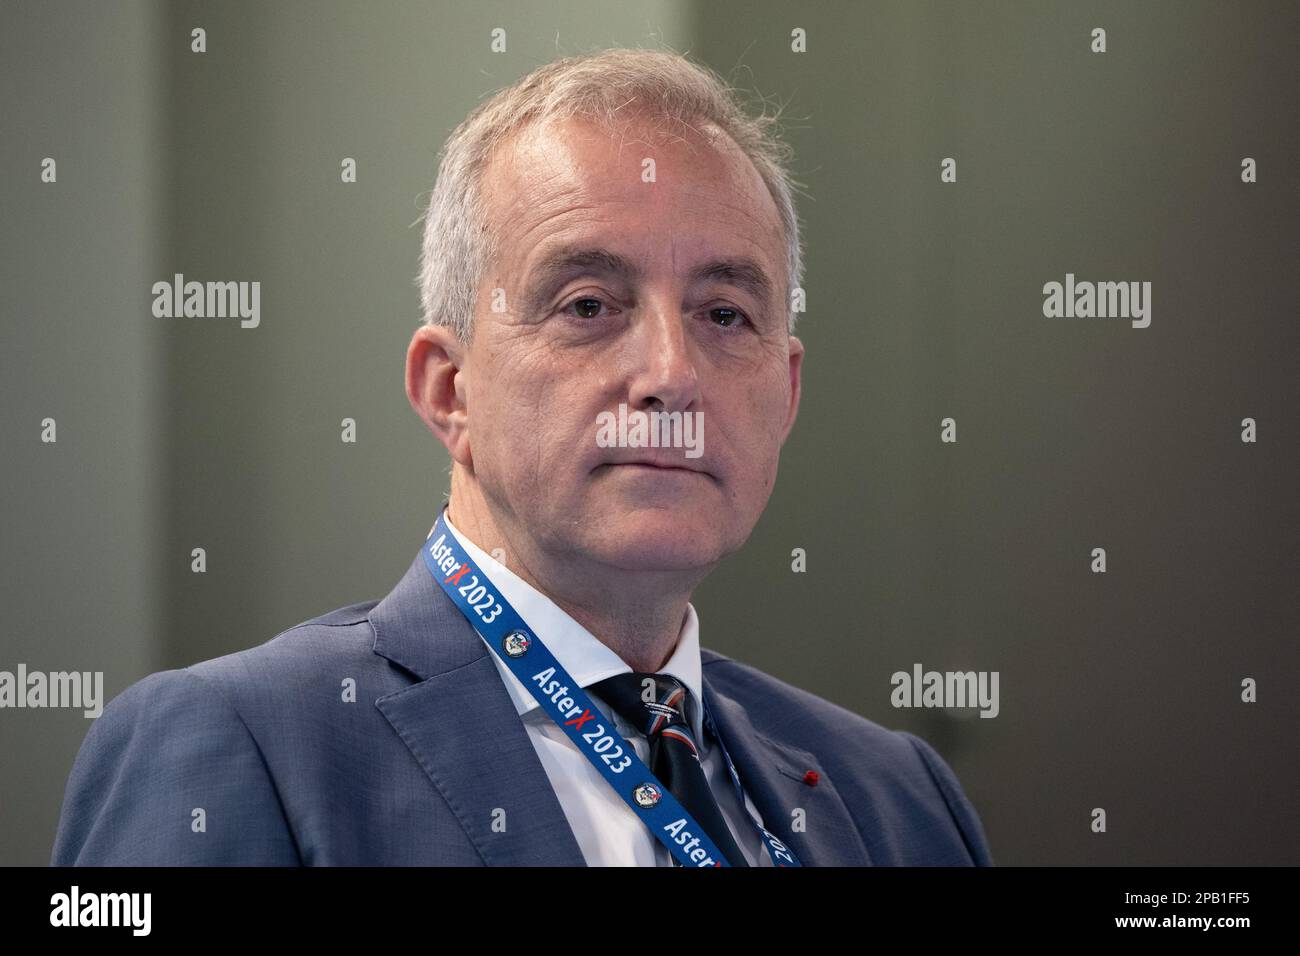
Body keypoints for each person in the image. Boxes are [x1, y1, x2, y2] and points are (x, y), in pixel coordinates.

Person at [51, 48, 992, 867]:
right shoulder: (243, 744)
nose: (671, 375)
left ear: (785, 394)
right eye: (588, 305)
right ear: (449, 390)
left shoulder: (899, 801)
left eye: (723, 314)